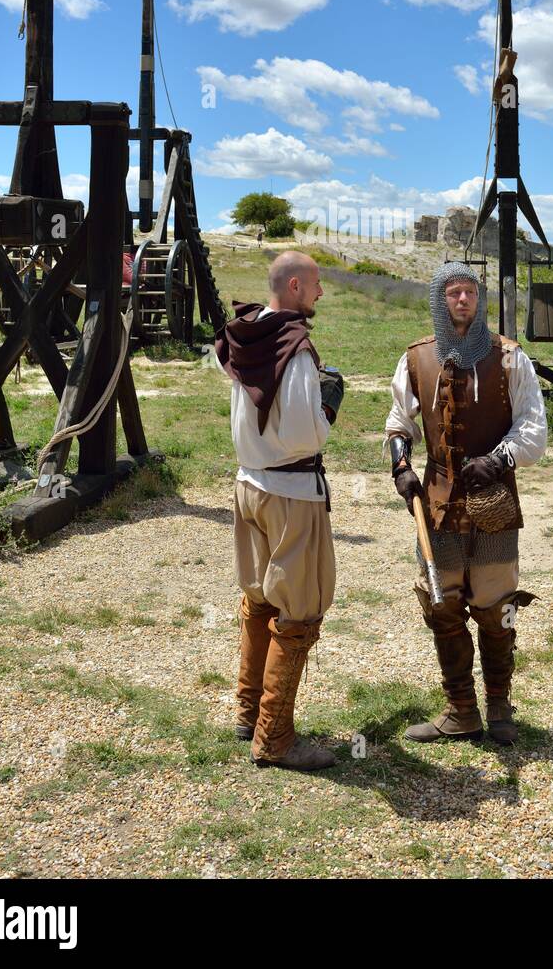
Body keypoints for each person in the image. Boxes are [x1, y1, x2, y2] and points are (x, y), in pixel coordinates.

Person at [384, 260, 547, 745]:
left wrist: (498, 460)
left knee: (497, 609)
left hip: (493, 501)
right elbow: (399, 421)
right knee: (443, 607)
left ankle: (499, 708)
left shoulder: (510, 358)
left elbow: (533, 428)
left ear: (480, 299)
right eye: (453, 292)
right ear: (441, 300)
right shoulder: (417, 357)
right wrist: (401, 466)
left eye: (469, 292)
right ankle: (460, 710)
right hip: (435, 504)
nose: (461, 300)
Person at [214, 251, 344, 771]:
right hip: (291, 494)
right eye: (314, 286)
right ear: (294, 285)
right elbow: (303, 432)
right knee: (299, 611)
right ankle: (274, 739)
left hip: (249, 485)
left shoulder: (246, 334)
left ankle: (249, 713)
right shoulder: (296, 347)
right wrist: (329, 408)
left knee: (259, 599)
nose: (319, 294)